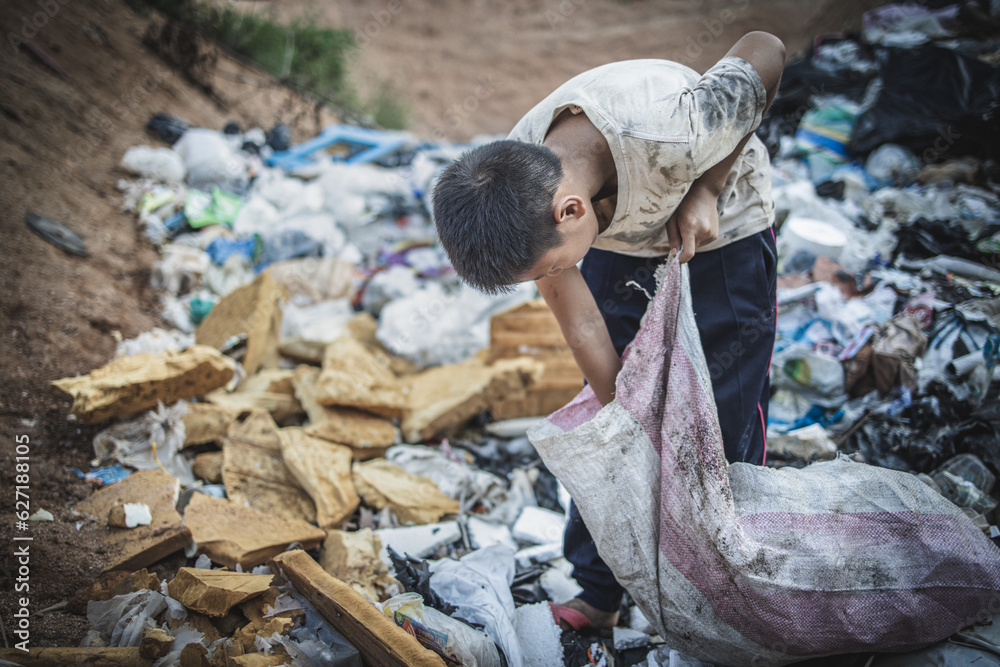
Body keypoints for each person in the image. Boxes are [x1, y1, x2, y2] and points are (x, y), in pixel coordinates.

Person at [432, 31, 786, 630]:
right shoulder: (525, 197)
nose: (551, 278)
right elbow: (581, 323)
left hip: (725, 231)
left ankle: (730, 599)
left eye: (547, 270)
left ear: (569, 210)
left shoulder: (670, 130)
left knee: (717, 422)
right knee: (613, 428)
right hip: (617, 237)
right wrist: (625, 429)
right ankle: (600, 593)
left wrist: (706, 187)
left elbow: (766, 49)